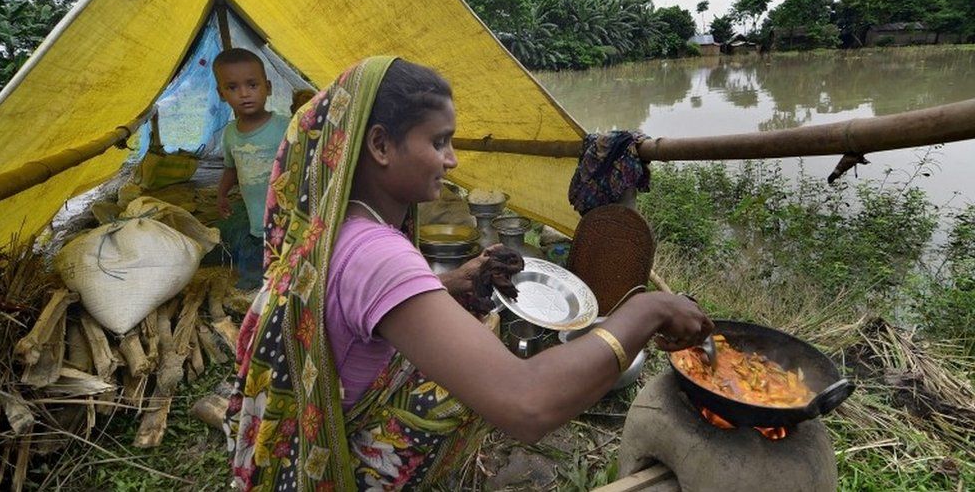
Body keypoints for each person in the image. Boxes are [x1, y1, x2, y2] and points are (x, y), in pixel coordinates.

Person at [224, 56, 713, 490]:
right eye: (439, 142)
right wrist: (649, 308)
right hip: (336, 465)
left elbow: (352, 311)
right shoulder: (378, 255)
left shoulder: (342, 228)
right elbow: (527, 404)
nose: (452, 160)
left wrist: (457, 284)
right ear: (379, 144)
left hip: (299, 441)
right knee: (466, 386)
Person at [212, 48, 289, 288]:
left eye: (252, 85)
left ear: (268, 87)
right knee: (257, 269)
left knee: (288, 259)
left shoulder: (286, 127)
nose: (244, 94)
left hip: (288, 217)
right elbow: (231, 168)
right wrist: (222, 194)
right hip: (257, 222)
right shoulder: (230, 134)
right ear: (221, 93)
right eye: (232, 87)